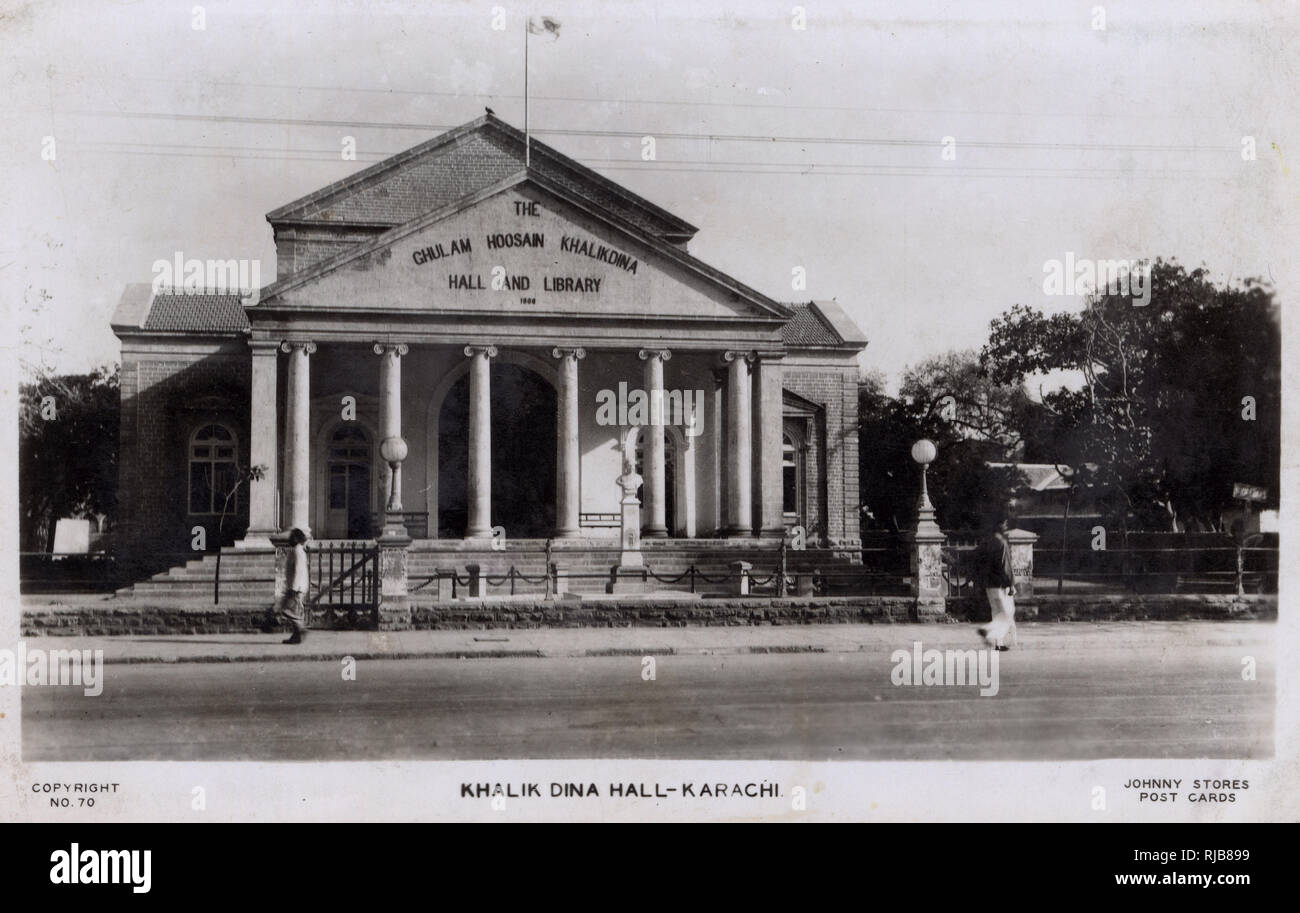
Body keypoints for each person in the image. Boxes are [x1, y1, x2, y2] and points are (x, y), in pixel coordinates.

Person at [973, 515, 1017, 651]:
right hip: (1000, 584)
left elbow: (978, 562)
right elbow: (1005, 566)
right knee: (1007, 613)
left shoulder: (986, 542)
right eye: (1004, 524)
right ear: (1000, 526)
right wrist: (1010, 583)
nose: (1006, 526)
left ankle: (999, 643)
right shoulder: (1001, 543)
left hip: (989, 584)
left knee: (997, 613)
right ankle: (987, 630)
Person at [265, 528, 310, 644]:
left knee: (288, 611)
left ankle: (301, 629)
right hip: (294, 586)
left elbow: (299, 570)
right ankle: (297, 635)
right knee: (290, 610)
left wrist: (294, 588)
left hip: (296, 588)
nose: (290, 539)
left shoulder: (297, 551)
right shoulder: (296, 550)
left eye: (292, 537)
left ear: (297, 538)